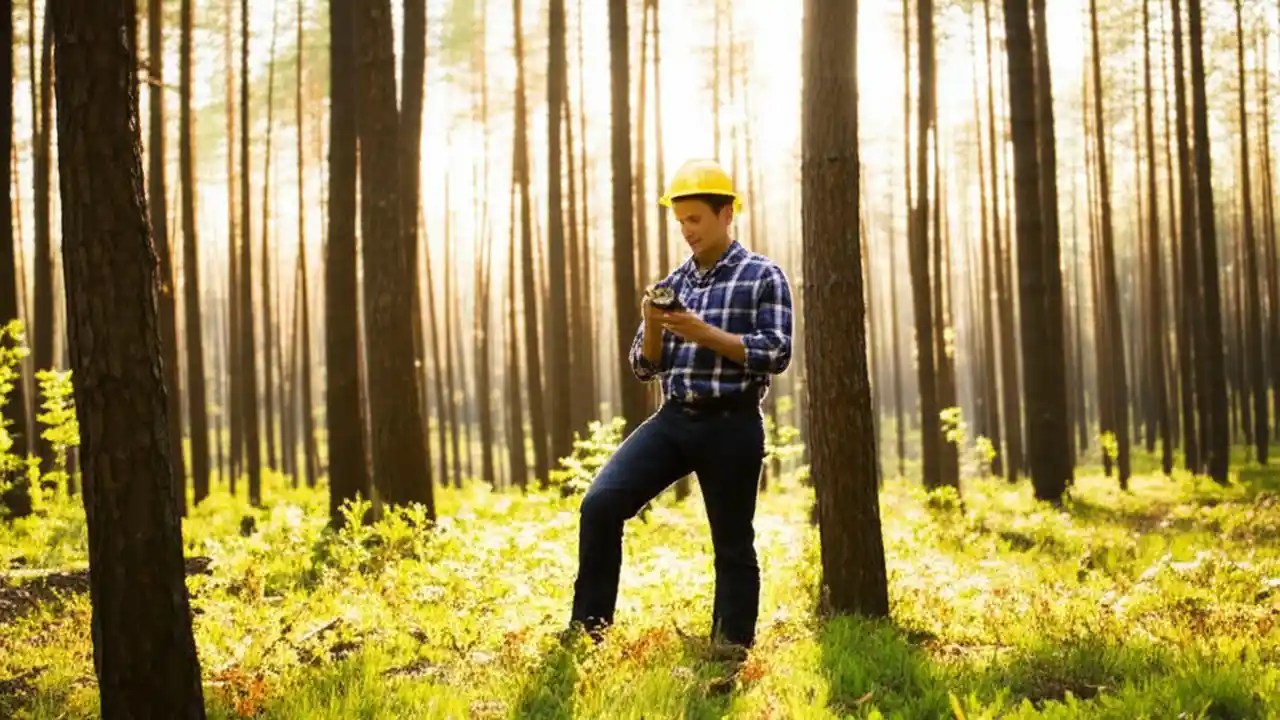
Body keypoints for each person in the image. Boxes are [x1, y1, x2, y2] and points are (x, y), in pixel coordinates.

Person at [568, 158, 794, 655]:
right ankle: (589, 631)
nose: (687, 231)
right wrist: (652, 322)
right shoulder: (675, 282)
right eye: (680, 221)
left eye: (695, 219)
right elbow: (644, 367)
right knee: (601, 504)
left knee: (732, 542)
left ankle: (731, 646)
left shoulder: (763, 276)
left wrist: (704, 333)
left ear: (726, 212)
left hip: (733, 422)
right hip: (673, 419)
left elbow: (777, 352)